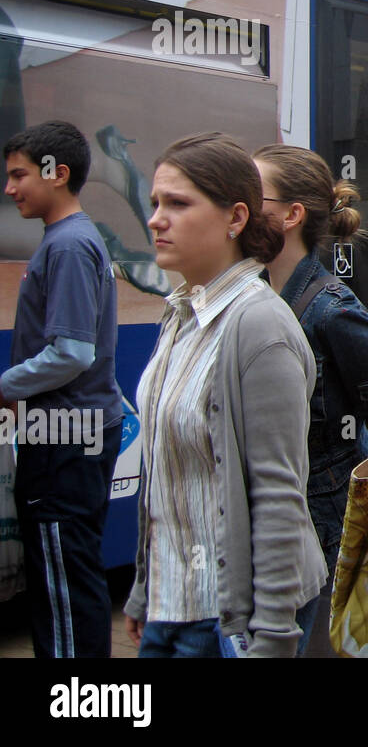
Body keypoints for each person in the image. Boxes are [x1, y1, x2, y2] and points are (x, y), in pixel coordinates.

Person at [124, 133, 326, 657]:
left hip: (226, 621)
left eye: (177, 203)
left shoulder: (258, 325)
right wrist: (146, 591)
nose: (155, 219)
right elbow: (166, 474)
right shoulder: (180, 312)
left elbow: (279, 495)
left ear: (235, 219)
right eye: (154, 204)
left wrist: (275, 635)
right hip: (171, 608)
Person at [254, 144, 368, 655]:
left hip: (326, 530)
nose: (238, 210)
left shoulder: (331, 309)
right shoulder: (252, 296)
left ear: (292, 216)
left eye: (253, 198)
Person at [1, 121, 122, 658]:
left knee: (62, 591)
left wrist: (3, 386)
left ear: (58, 173)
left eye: (19, 175)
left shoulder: (69, 245)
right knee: (71, 578)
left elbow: (72, 353)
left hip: (62, 442)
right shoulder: (69, 240)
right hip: (68, 438)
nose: (10, 189)